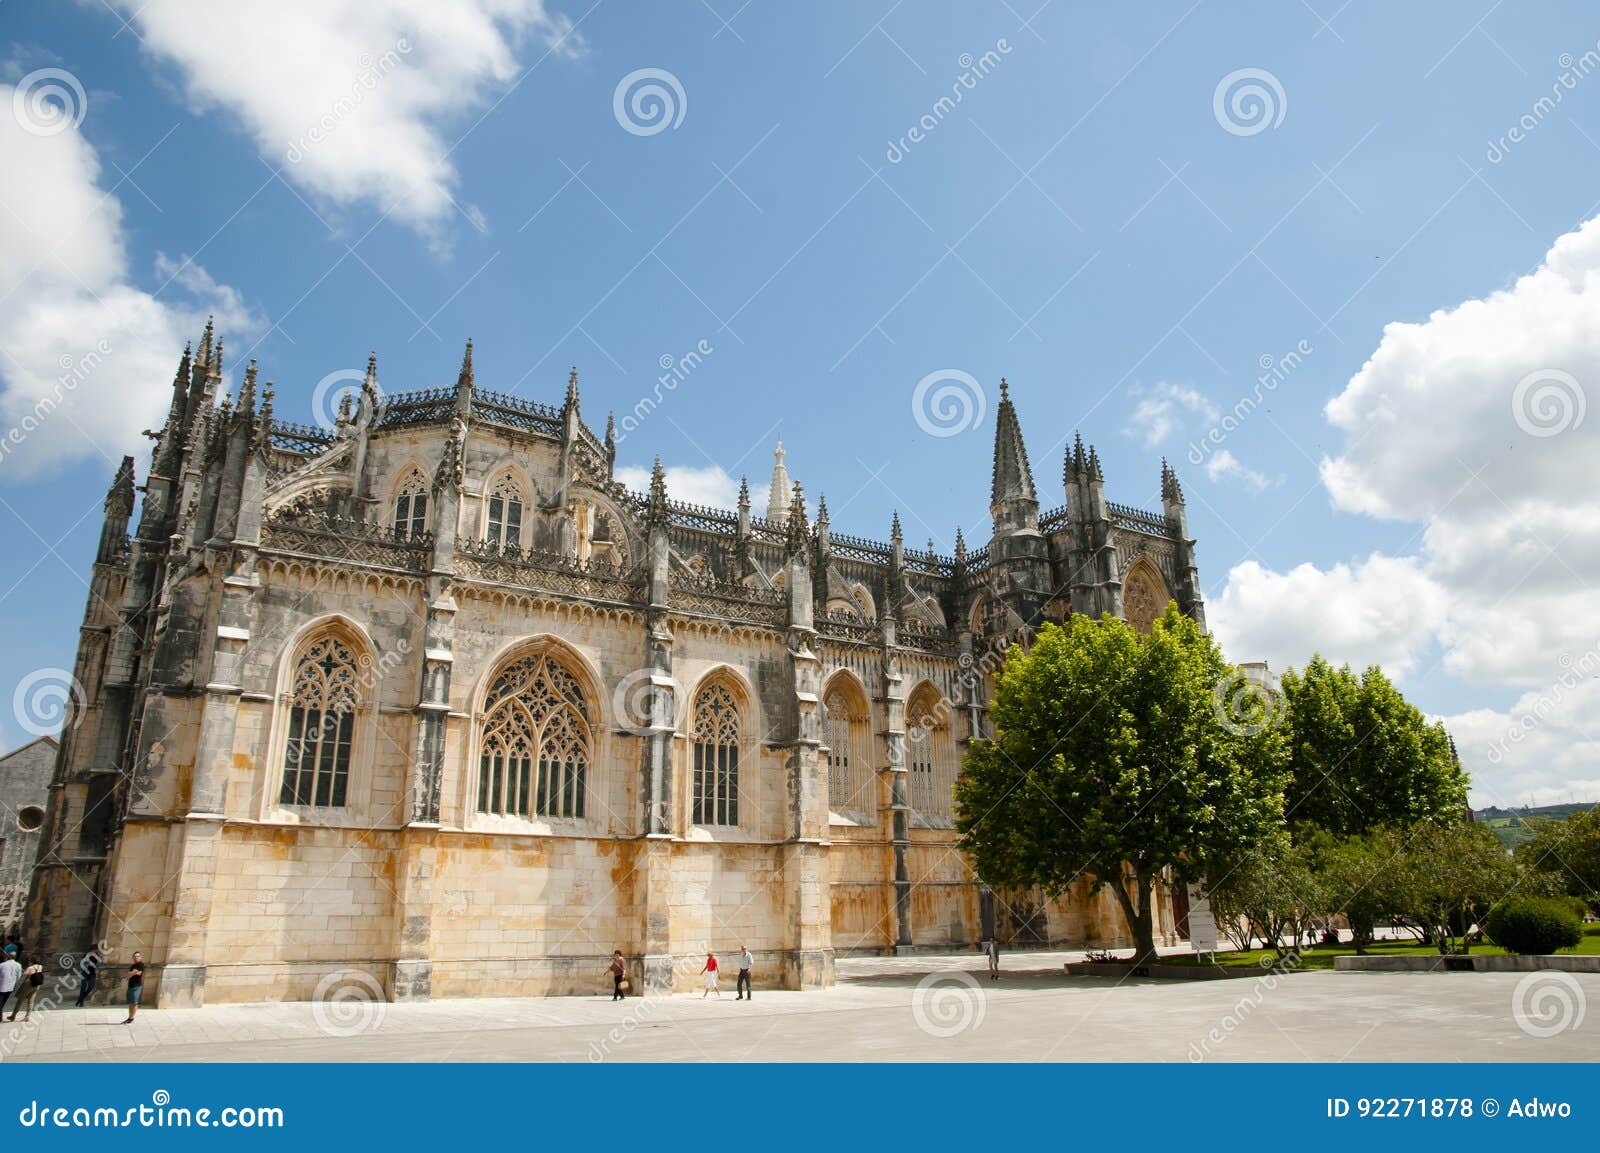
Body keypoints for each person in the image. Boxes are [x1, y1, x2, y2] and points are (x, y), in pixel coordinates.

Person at [123, 951, 145, 1024]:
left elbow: (133, 973)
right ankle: (130, 1017)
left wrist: (131, 973)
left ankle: (131, 1018)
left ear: (140, 957)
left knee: (134, 1002)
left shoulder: (140, 964)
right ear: (133, 958)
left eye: (138, 956)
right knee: (131, 1002)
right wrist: (132, 973)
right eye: (135, 956)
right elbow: (128, 975)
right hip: (131, 985)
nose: (136, 957)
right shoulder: (133, 965)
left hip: (136, 986)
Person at [0, 948, 19, 1017]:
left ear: (8, 956)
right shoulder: (18, 965)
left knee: (1, 1001)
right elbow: (18, 976)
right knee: (3, 1001)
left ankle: (0, 1015)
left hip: (2, 986)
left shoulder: (2, 965)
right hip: (11, 986)